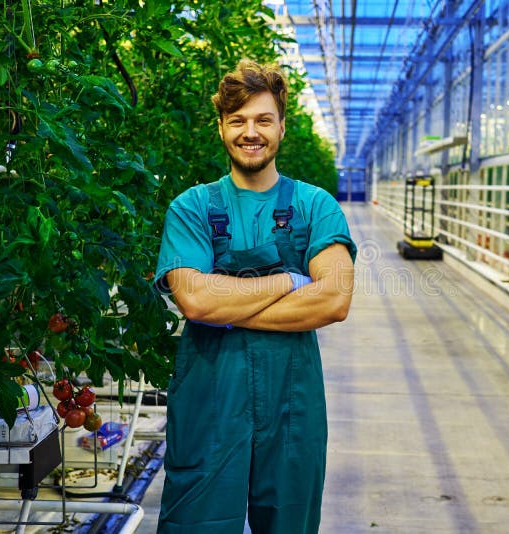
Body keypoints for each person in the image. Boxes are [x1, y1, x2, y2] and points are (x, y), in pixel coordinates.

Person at [153, 59, 356, 533]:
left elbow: (333, 301)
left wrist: (225, 303)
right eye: (238, 120)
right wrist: (289, 281)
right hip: (209, 401)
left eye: (263, 120)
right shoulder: (193, 206)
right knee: (197, 523)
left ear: (282, 127)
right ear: (221, 128)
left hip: (293, 408)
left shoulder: (315, 205)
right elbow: (196, 303)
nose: (251, 132)